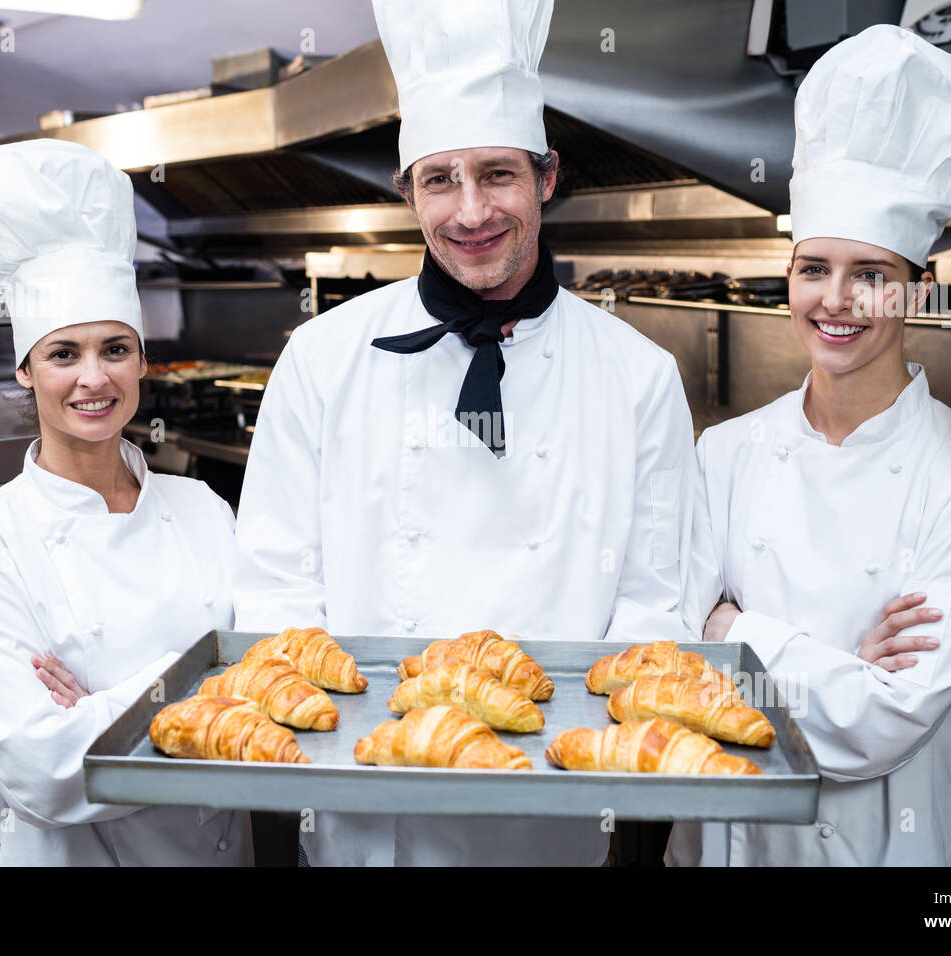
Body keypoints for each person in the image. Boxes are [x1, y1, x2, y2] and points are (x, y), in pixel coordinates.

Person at [233, 0, 707, 866]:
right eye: (440, 179)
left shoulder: (638, 376)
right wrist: (348, 746)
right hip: (369, 811)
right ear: (407, 189)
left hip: (556, 813)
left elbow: (654, 609)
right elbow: (275, 593)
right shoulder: (321, 357)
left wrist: (566, 754)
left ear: (548, 177)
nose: (471, 210)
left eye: (497, 174)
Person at [669, 24, 951, 867]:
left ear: (916, 290)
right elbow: (671, 653)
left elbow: (885, 721)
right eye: (813, 267)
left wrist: (733, 627)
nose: (837, 300)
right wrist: (835, 666)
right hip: (732, 837)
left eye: (871, 274)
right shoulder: (727, 451)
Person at [0, 139, 250, 866]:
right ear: (24, 369)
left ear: (143, 361)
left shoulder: (204, 508)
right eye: (63, 354)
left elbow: (271, 687)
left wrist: (100, 709)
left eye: (114, 349)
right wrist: (208, 690)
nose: (93, 380)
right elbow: (41, 774)